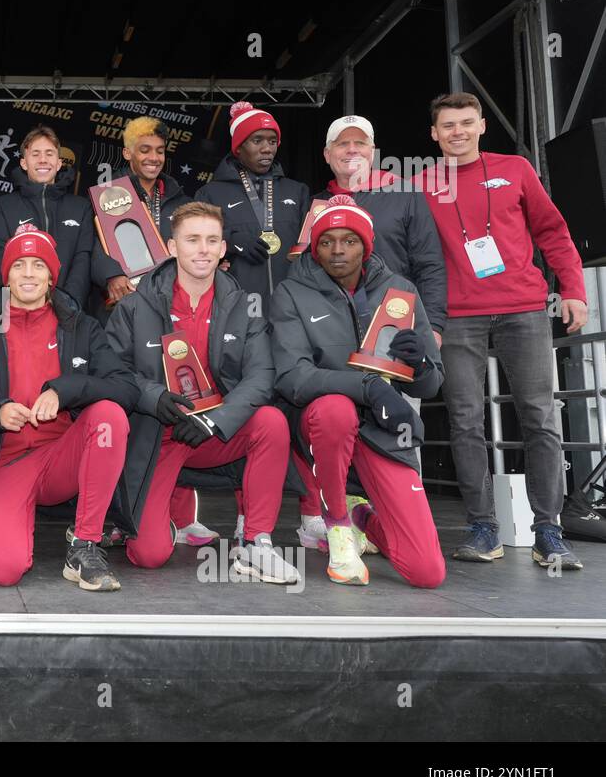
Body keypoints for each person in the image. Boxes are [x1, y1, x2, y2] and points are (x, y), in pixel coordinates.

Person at [411, 92, 587, 570]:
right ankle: (482, 527)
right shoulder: (420, 184)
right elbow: (413, 255)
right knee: (465, 422)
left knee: (540, 417)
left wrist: (572, 289)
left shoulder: (516, 168)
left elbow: (553, 231)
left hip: (524, 308)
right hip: (456, 317)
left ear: (483, 125)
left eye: (467, 123)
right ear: (434, 133)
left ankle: (548, 531)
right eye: (448, 125)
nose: (458, 132)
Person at [107, 202, 299, 584]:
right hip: (159, 434)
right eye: (192, 239)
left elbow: (261, 378)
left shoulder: (245, 306)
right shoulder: (133, 305)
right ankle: (153, 510)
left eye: (212, 240)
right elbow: (112, 371)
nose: (203, 249)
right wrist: (152, 397)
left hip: (213, 431)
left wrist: (216, 420)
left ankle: (255, 541)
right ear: (172, 246)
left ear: (224, 248)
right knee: (148, 555)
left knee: (271, 422)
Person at [271, 195, 446, 587]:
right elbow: (292, 377)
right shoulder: (291, 291)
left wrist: (418, 362)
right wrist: (366, 386)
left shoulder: (399, 289)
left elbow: (432, 384)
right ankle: (336, 526)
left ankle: (361, 516)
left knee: (427, 573)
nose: (337, 250)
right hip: (320, 421)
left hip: (384, 426)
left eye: (348, 240)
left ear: (366, 245)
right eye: (327, 241)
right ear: (314, 247)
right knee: (335, 410)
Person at [0, 225, 134, 590]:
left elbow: (125, 388)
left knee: (109, 415)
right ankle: (15, 524)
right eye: (19, 265)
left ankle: (85, 544)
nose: (29, 274)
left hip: (59, 458)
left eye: (38, 265)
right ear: (7, 274)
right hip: (4, 463)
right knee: (4, 570)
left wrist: (65, 390)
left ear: (52, 275)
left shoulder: (81, 327)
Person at [322, 114, 447, 336]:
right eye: (342, 144)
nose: (352, 150)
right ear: (327, 155)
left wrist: (433, 326)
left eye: (360, 143)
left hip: (395, 317)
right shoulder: (316, 204)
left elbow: (429, 263)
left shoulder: (404, 194)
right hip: (331, 323)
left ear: (372, 152)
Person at [195, 101, 310, 310]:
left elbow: (312, 248)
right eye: (257, 140)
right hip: (238, 305)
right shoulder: (210, 193)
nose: (267, 149)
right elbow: (195, 244)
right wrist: (230, 241)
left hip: (291, 307)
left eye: (273, 141)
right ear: (238, 147)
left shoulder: (297, 191)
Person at [91, 116, 191, 310]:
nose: (154, 158)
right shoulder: (106, 195)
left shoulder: (181, 201)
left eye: (160, 151)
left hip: (170, 302)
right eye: (145, 150)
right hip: (123, 300)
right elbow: (90, 244)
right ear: (127, 153)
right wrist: (111, 274)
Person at [0, 126, 94, 305]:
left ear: (59, 162)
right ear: (23, 162)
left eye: (49, 154)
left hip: (67, 312)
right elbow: (0, 257)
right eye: (35, 154)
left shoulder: (81, 207)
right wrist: (23, 300)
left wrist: (68, 303)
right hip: (18, 309)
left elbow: (82, 259)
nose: (43, 160)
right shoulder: (2, 206)